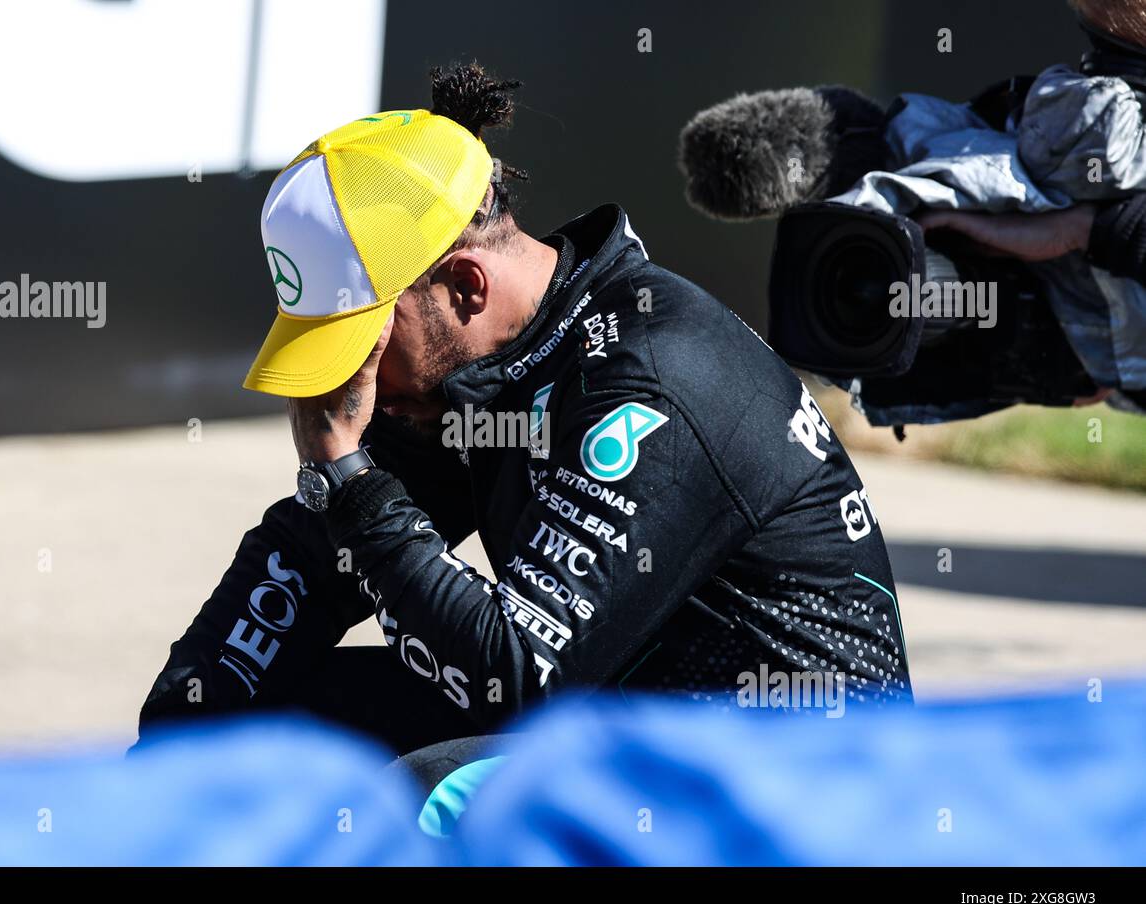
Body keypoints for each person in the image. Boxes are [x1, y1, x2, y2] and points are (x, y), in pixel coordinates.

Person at [137, 64, 912, 757]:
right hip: (639, 735)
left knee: (430, 795)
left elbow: (511, 680)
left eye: (365, 341)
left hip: (805, 784)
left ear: (466, 288)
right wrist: (180, 724)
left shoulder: (648, 379)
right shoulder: (481, 366)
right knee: (255, 732)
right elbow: (316, 557)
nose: (360, 384)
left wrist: (346, 472)